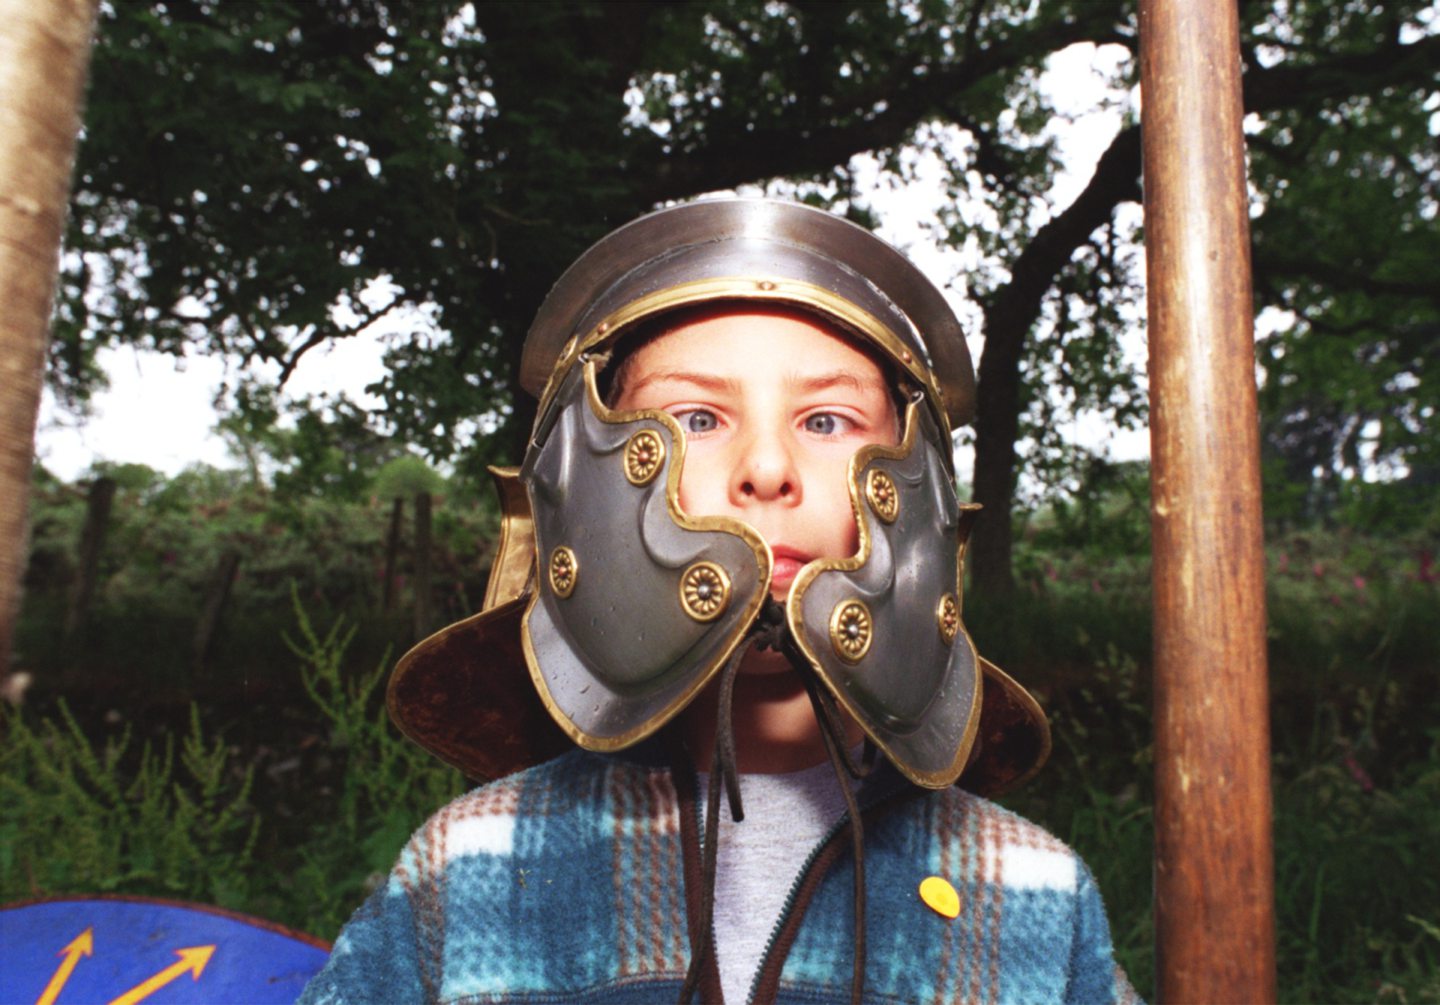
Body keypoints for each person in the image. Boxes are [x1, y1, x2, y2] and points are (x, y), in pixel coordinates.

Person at [299, 199, 1139, 1004]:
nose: (767, 467)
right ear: (574, 489)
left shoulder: (1033, 893)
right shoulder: (469, 866)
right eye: (697, 417)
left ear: (924, 499)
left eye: (827, 421)